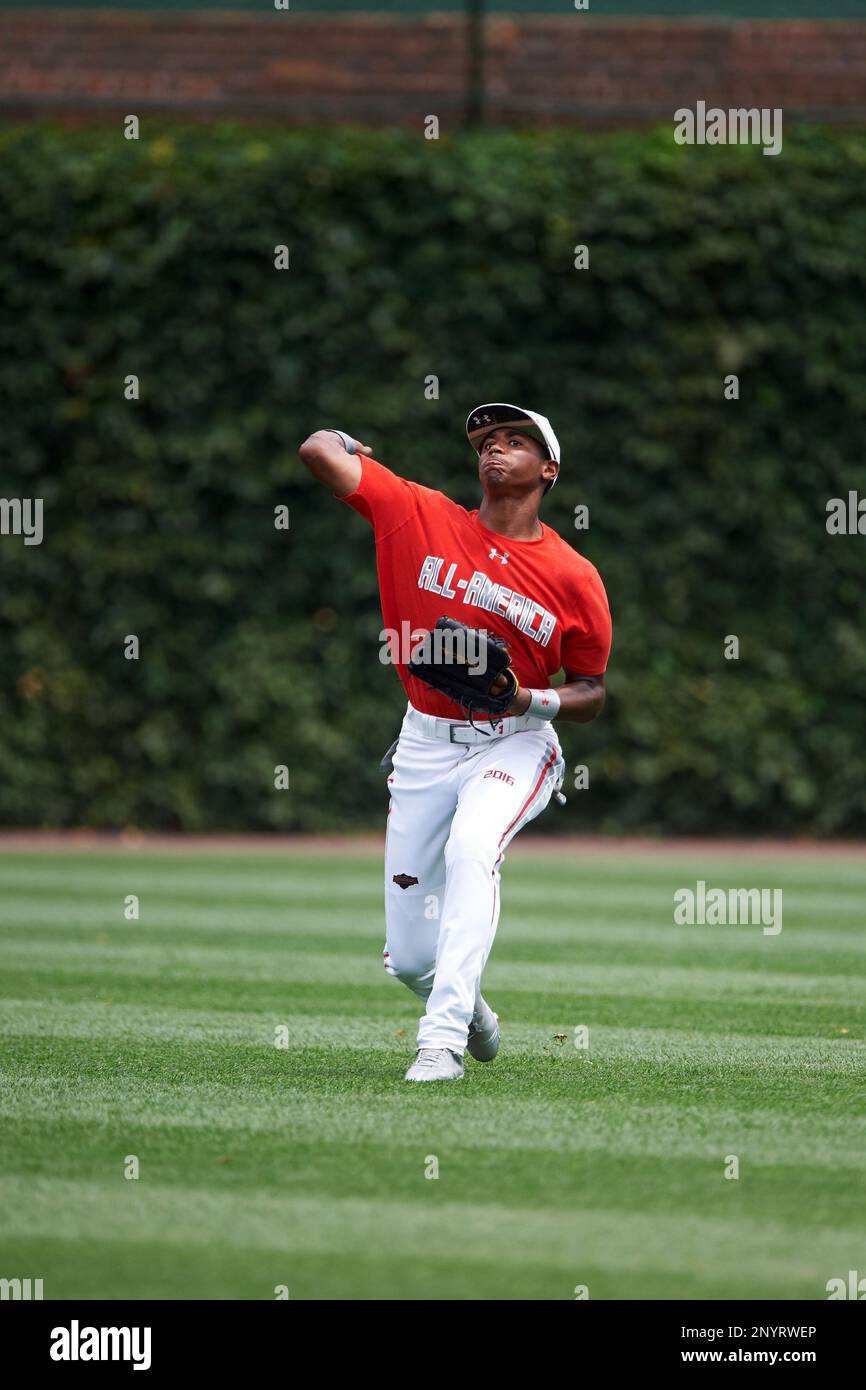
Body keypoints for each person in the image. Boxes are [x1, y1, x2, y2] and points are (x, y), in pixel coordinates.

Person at [298, 403, 612, 1082]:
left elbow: (591, 689)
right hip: (424, 744)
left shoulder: (573, 575)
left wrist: (529, 699)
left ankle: (438, 1043)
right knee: (409, 957)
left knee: (474, 848)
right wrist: (348, 440)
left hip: (516, 742)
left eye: (515, 441)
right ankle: (469, 1010)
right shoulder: (418, 513)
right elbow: (318, 452)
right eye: (486, 441)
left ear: (548, 469)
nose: (495, 448)